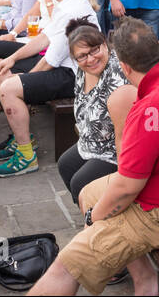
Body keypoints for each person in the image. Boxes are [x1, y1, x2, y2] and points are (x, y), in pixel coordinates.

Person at [29, 19, 159, 296]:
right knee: (88, 192)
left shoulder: (151, 108)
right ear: (158, 47)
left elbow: (127, 187)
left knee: (66, 265)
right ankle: (145, 278)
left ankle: (133, 276)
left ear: (124, 66)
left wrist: (92, 220)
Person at [0, 0, 99, 176]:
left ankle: (26, 157)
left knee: (8, 88)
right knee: (5, 74)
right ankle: (22, 137)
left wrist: (24, 83)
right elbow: (44, 38)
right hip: (71, 70)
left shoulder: (71, 11)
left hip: (77, 76)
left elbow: (49, 61)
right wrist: (12, 59)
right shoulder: (69, 2)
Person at [56, 20, 137, 206]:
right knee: (65, 164)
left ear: (104, 45)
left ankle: (99, 219)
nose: (90, 59)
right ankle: (91, 213)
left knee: (81, 183)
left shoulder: (118, 75)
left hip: (113, 150)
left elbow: (123, 135)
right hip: (92, 143)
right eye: (82, 56)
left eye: (95, 50)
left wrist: (125, 171)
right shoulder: (82, 71)